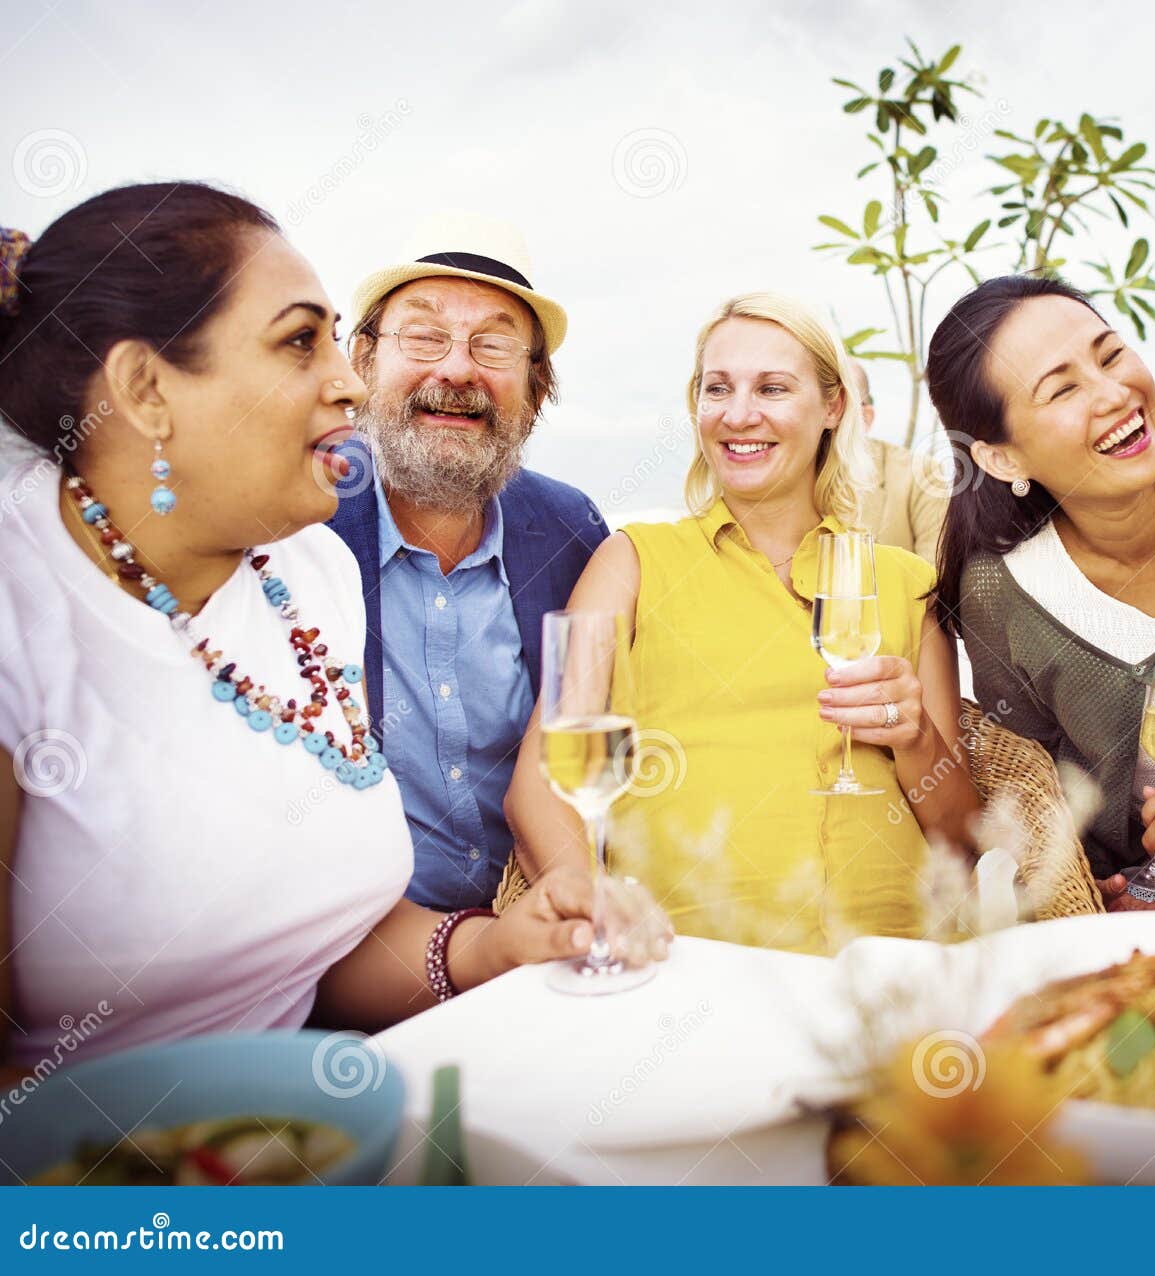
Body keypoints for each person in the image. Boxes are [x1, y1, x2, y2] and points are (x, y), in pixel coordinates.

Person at [0, 184, 662, 1070]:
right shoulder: (25, 610)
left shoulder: (310, 576)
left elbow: (318, 953)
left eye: (494, 344)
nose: (346, 386)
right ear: (146, 389)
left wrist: (497, 945)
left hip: (343, 1086)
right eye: (299, 341)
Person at [506, 294, 981, 953]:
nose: (737, 414)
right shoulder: (633, 563)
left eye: (772, 388)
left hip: (896, 967)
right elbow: (541, 781)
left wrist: (917, 738)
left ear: (834, 407)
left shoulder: (904, 583)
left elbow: (964, 839)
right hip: (692, 962)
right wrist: (594, 908)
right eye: (717, 388)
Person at [926, 275, 1155, 909]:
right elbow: (1038, 790)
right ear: (1003, 459)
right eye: (1063, 389)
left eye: (1110, 354)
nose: (1114, 393)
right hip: (1138, 931)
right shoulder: (999, 590)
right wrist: (1102, 896)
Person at [329, 214, 607, 912]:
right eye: (424, 336)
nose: (456, 369)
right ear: (362, 362)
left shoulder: (571, 530)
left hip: (535, 935)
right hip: (345, 949)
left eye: (493, 344)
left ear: (537, 388)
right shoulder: (299, 522)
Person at [848, 360, 949, 563]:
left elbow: (935, 576)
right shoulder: (788, 474)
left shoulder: (921, 475)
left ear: (865, 417)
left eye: (837, 405)